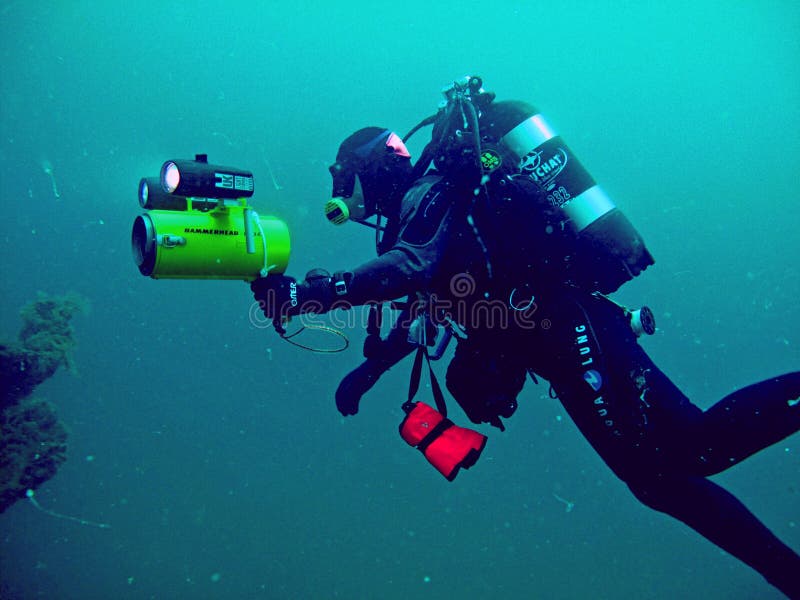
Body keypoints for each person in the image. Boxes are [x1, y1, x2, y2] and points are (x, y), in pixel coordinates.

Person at [251, 78, 800, 597]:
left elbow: (408, 269)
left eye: (346, 178)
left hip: (567, 331)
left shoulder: (431, 194)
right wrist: (367, 373)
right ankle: (787, 574)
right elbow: (426, 309)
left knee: (680, 460)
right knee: (672, 467)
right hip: (568, 330)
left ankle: (786, 573)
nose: (346, 198)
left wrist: (311, 296)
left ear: (369, 171)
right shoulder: (424, 208)